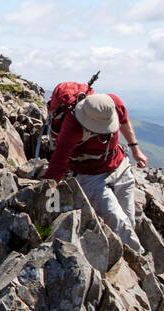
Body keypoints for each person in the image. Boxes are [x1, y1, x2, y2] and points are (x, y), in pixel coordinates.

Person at [43, 85, 148, 254]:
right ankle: (141, 261)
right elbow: (58, 165)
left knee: (128, 221)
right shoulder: (72, 127)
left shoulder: (113, 103)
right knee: (119, 222)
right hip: (90, 175)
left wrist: (136, 150)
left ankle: (127, 254)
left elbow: (124, 121)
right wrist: (48, 202)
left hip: (119, 165)